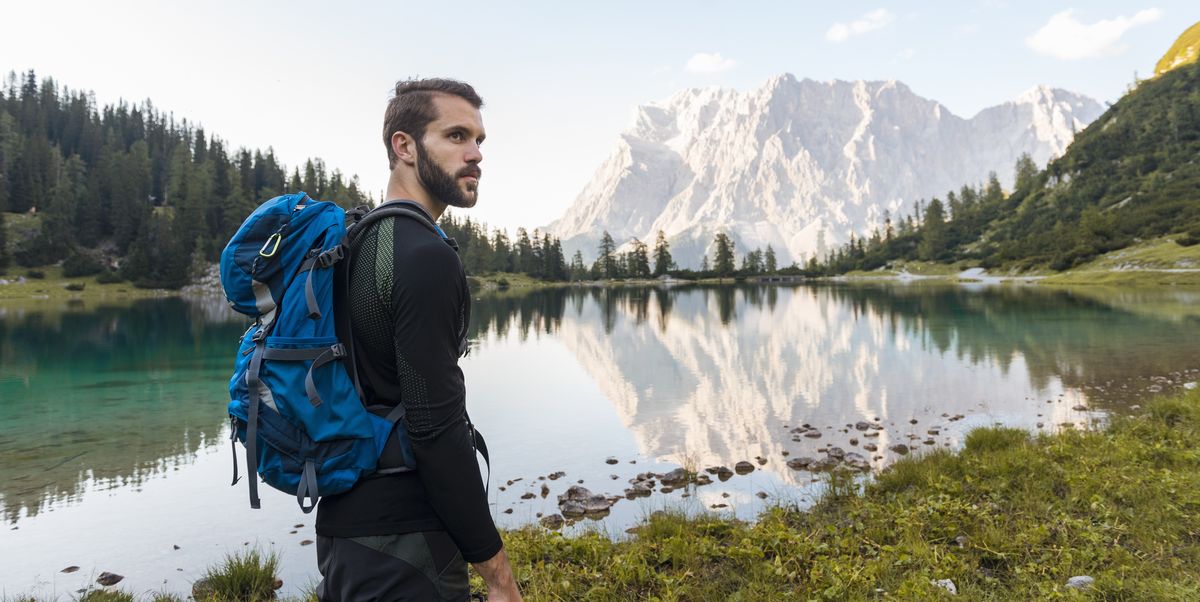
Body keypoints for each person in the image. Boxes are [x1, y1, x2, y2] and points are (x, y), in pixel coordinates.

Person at [315, 78, 522, 602]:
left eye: (479, 140)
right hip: (406, 549)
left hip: (343, 534)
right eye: (456, 136)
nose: (475, 154)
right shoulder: (424, 256)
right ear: (404, 146)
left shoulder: (355, 241)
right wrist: (499, 577)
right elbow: (436, 431)